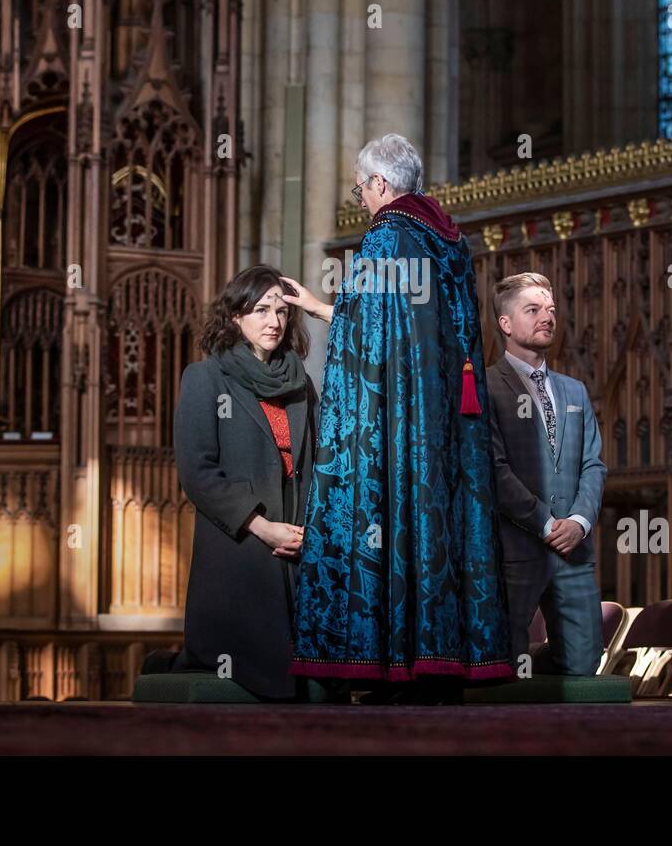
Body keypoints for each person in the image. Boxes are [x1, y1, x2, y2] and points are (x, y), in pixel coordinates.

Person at [282, 133, 513, 703]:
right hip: (442, 428)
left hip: (395, 427)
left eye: (362, 188)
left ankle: (388, 662)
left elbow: (365, 345)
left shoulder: (385, 238)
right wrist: (318, 305)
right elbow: (409, 329)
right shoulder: (448, 243)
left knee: (385, 517)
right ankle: (439, 662)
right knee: (436, 525)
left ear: (381, 184)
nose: (361, 198)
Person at [163, 265, 318, 699]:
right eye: (261, 310)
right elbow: (198, 473)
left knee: (320, 678)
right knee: (264, 671)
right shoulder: (205, 377)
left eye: (282, 311)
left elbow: (319, 463)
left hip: (295, 539)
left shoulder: (300, 383)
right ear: (236, 317)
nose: (273, 321)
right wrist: (262, 526)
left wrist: (308, 530)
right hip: (240, 543)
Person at [486, 272, 607, 675]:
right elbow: (493, 469)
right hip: (515, 551)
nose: (547, 317)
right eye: (533, 309)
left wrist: (579, 521)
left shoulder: (575, 391)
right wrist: (544, 521)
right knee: (507, 670)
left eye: (551, 310)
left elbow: (593, 464)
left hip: (573, 551)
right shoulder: (486, 387)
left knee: (584, 666)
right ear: (506, 323)